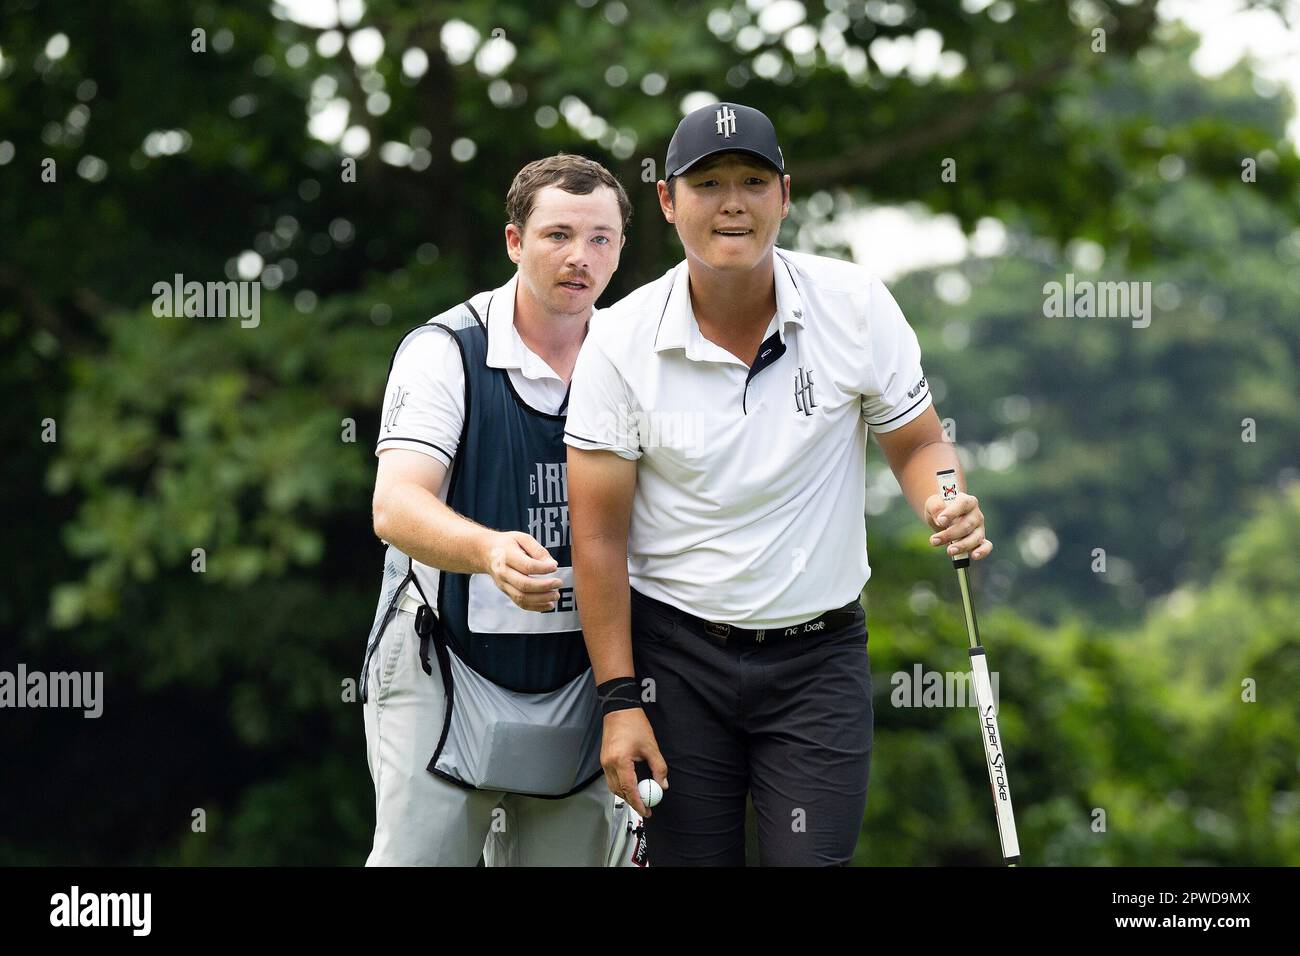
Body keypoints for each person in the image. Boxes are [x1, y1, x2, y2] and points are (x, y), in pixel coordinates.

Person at [565, 102, 993, 866]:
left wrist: (946, 494)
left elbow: (921, 444)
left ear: (784, 196)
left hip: (817, 661)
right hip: (677, 661)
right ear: (668, 202)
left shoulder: (855, 307)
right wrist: (620, 701)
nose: (733, 201)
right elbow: (598, 536)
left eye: (753, 181)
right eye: (709, 184)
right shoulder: (620, 340)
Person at [360, 154, 635, 866]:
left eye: (601, 238)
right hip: (441, 661)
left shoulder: (638, 362)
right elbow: (395, 506)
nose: (580, 257)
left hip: (584, 676)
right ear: (515, 242)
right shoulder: (443, 350)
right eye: (558, 235)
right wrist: (488, 552)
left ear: (620, 250)